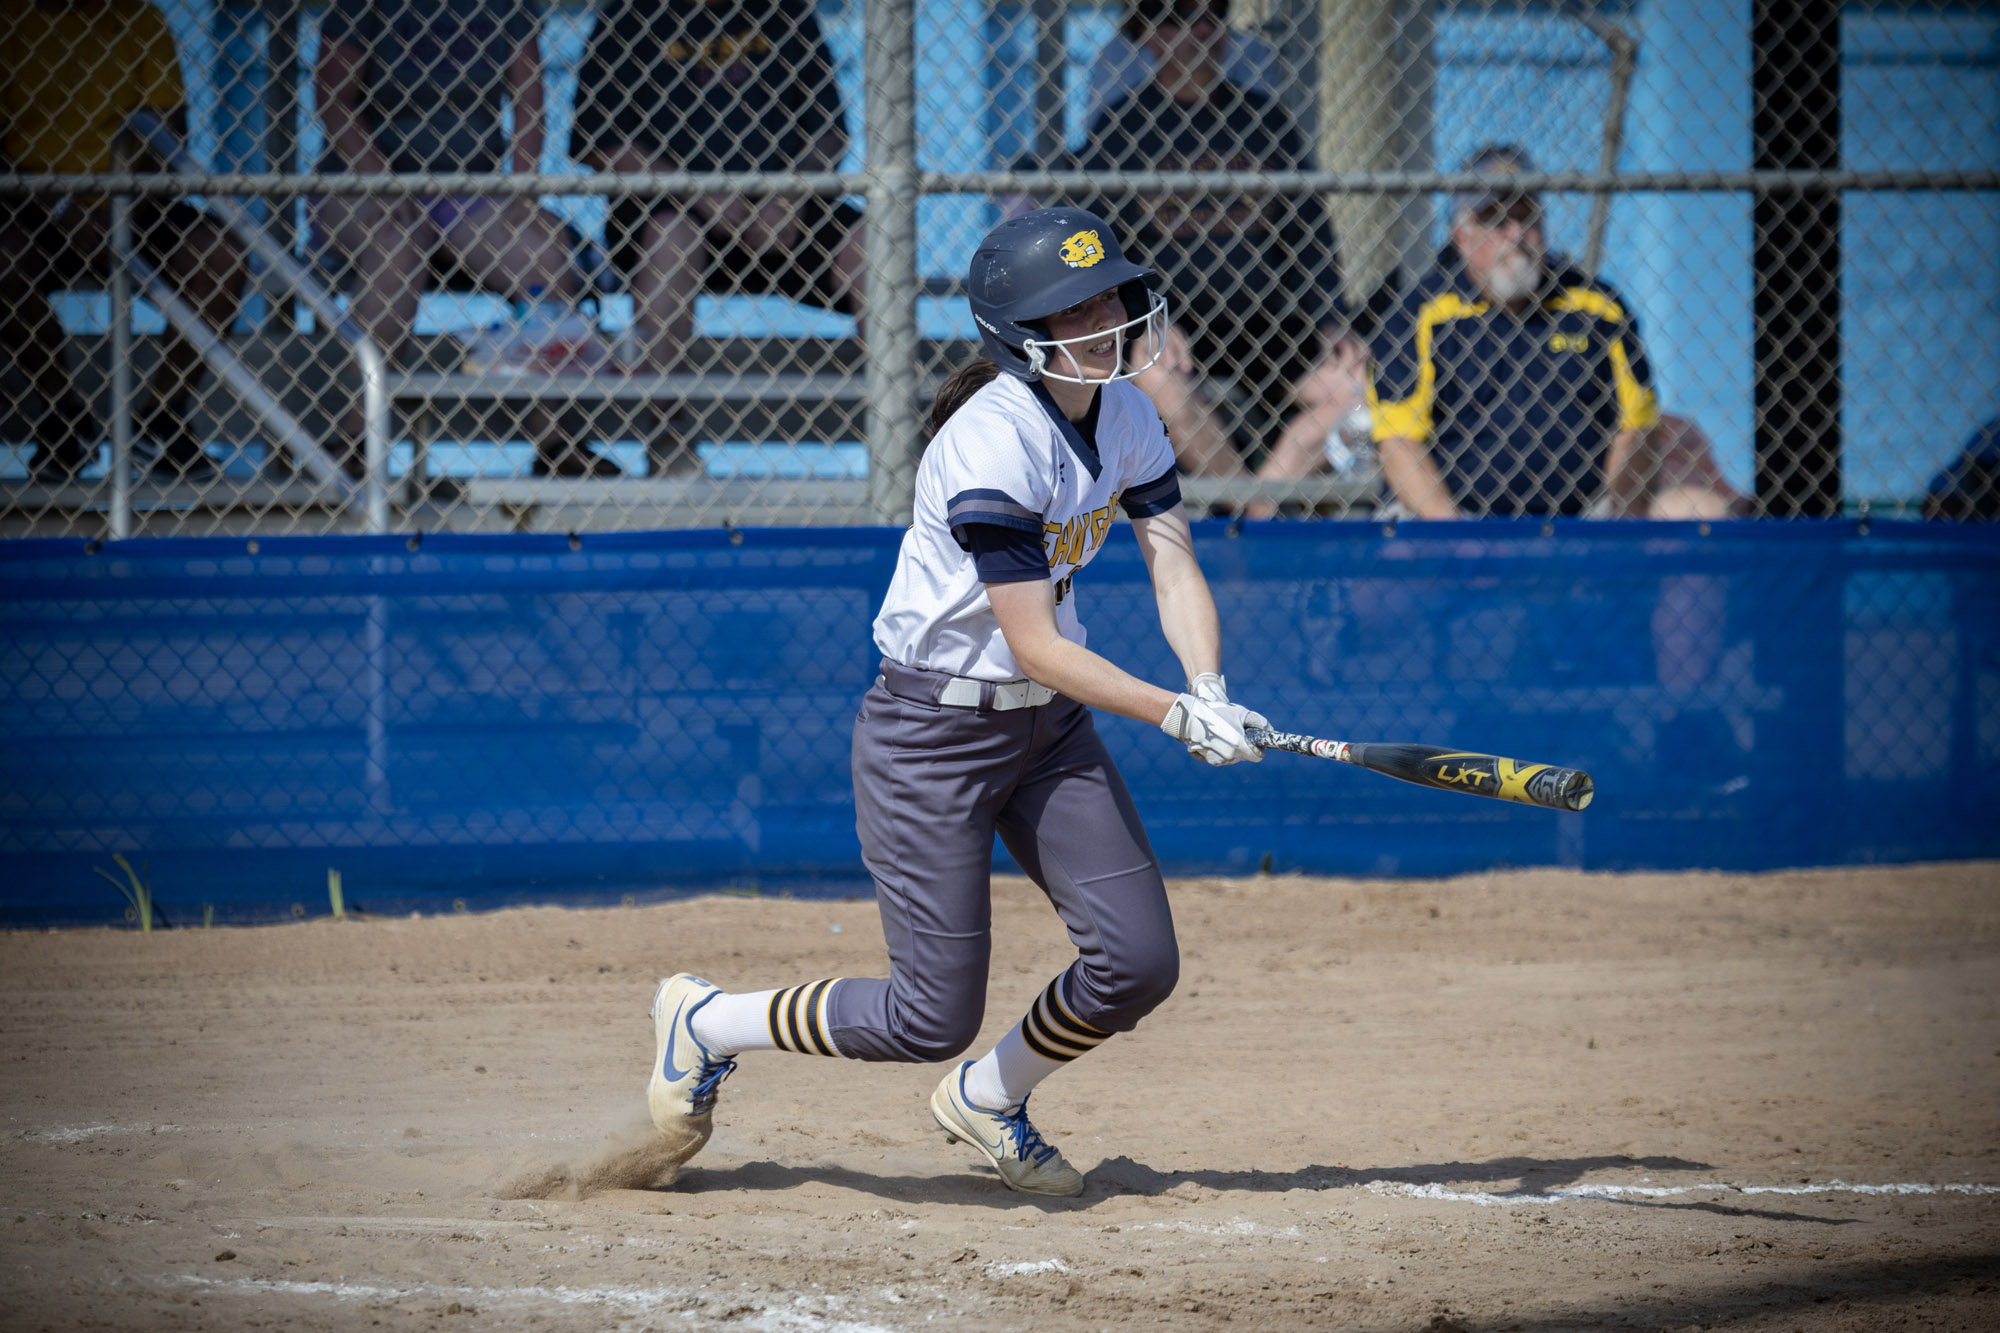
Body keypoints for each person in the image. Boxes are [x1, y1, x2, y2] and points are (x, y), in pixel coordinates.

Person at [642, 207, 1268, 1197]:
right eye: (1077, 305)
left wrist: (1207, 685)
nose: (1107, 314)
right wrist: (1169, 714)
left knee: (1138, 962)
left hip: (1045, 727)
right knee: (925, 1016)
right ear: (1024, 332)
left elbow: (1172, 561)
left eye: (1110, 292)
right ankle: (706, 1020)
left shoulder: (1132, 413)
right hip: (931, 732)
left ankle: (987, 1095)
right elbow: (1033, 640)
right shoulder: (993, 442)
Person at [315, 0, 618, 478]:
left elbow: (529, 98)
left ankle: (557, 442)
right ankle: (357, 441)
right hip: (361, 183)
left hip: (467, 188)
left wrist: (522, 191)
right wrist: (385, 184)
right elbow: (333, 99)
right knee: (398, 244)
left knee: (546, 255)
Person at [1364, 144, 1741, 520]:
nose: (1514, 235)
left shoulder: (1596, 306)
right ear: (1462, 237)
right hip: (1452, 518)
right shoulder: (1418, 316)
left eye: (1525, 218)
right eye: (1496, 222)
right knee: (1401, 540)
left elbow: (1636, 427)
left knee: (1702, 510)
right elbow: (1399, 445)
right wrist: (1458, 538)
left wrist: (1623, 523)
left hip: (1585, 517)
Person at [571, 0, 865, 475]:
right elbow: (600, 141)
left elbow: (829, 133)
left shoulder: (783, 11)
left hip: (779, 209)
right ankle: (668, 435)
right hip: (668, 209)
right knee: (673, 236)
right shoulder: (628, 15)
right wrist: (700, 194)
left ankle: (909, 432)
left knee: (868, 243)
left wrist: (791, 194)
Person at [1073, 0, 1345, 480]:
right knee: (1158, 379)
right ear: (1150, 35)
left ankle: (1257, 509)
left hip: (1266, 317)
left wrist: (1329, 318)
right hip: (1172, 319)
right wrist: (1142, 314)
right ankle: (1247, 503)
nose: (1197, 29)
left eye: (1211, 14)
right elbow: (1100, 247)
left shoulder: (1265, 119)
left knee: (1354, 388)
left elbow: (1309, 230)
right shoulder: (1121, 127)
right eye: (1177, 17)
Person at [0, 0, 249, 484]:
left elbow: (169, 132)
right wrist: (59, 205)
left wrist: (122, 207)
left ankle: (160, 417)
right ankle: (64, 417)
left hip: (130, 196)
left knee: (221, 253)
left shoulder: (139, 18)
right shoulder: (10, 21)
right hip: (31, 200)